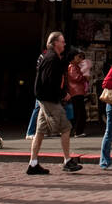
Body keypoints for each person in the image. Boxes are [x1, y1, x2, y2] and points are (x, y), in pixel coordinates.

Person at [27, 32, 81, 174]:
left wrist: (69, 57)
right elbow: (49, 80)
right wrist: (63, 94)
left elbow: (59, 68)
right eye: (62, 41)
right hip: (49, 99)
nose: (64, 44)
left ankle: (33, 163)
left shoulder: (51, 57)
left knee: (40, 131)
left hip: (44, 98)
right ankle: (67, 161)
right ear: (55, 42)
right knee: (66, 127)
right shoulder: (51, 59)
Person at [66, 50, 90, 137]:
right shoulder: (72, 67)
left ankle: (77, 130)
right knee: (80, 112)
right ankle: (78, 131)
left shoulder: (75, 66)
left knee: (79, 112)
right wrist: (85, 77)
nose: (79, 58)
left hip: (77, 91)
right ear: (73, 58)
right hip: (76, 92)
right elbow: (76, 78)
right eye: (77, 57)